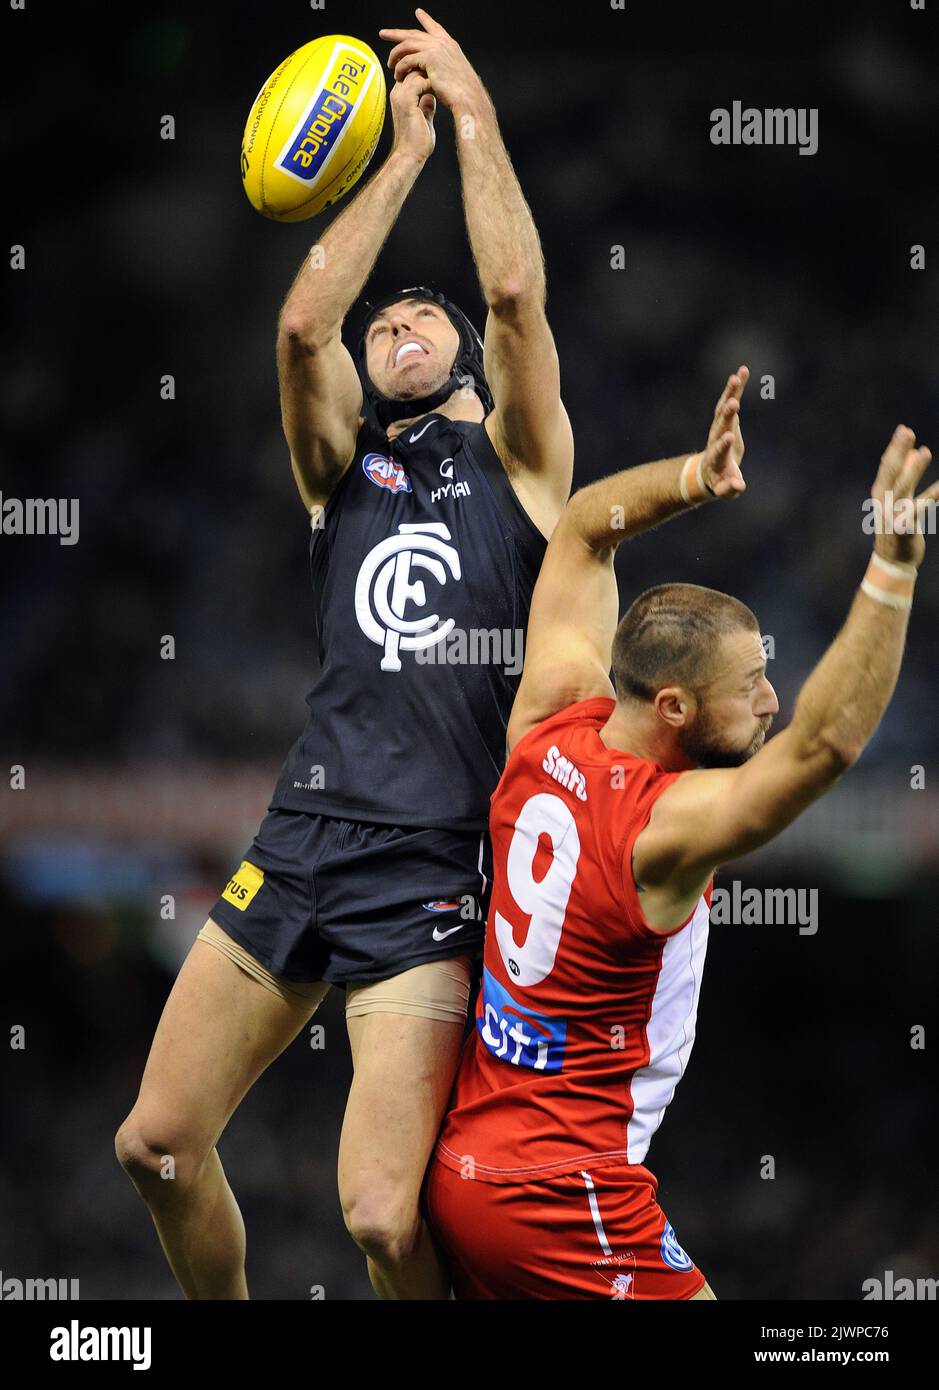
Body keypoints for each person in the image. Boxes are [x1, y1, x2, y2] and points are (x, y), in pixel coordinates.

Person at [115, 11, 573, 1300]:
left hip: (429, 864)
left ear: (472, 362)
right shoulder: (344, 472)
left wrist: (472, 118)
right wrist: (399, 157)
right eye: (389, 319)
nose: (396, 318)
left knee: (381, 1216)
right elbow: (305, 326)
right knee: (154, 1146)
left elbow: (519, 291)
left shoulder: (525, 466)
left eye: (423, 311)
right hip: (299, 840)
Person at [425, 370, 936, 1299]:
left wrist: (695, 479)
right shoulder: (658, 831)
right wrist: (892, 566)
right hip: (563, 1194)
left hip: (467, 1169)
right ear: (672, 706)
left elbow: (582, 525)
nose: (771, 703)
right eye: (750, 689)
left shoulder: (545, 722)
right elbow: (821, 748)